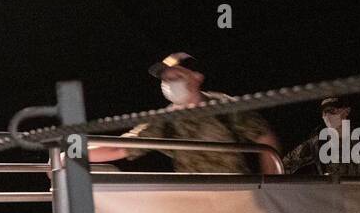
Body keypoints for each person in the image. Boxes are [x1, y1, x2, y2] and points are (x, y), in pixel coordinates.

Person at [91, 52, 282, 174]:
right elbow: (120, 147)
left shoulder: (224, 106)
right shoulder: (164, 120)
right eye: (165, 79)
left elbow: (266, 139)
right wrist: (74, 153)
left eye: (176, 76)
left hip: (237, 200)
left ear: (197, 77)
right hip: (194, 202)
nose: (169, 83)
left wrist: (270, 189)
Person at [283, 96, 360, 177]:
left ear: (346, 112)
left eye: (332, 110)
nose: (327, 115)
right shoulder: (318, 142)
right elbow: (286, 164)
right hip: (333, 204)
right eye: (324, 112)